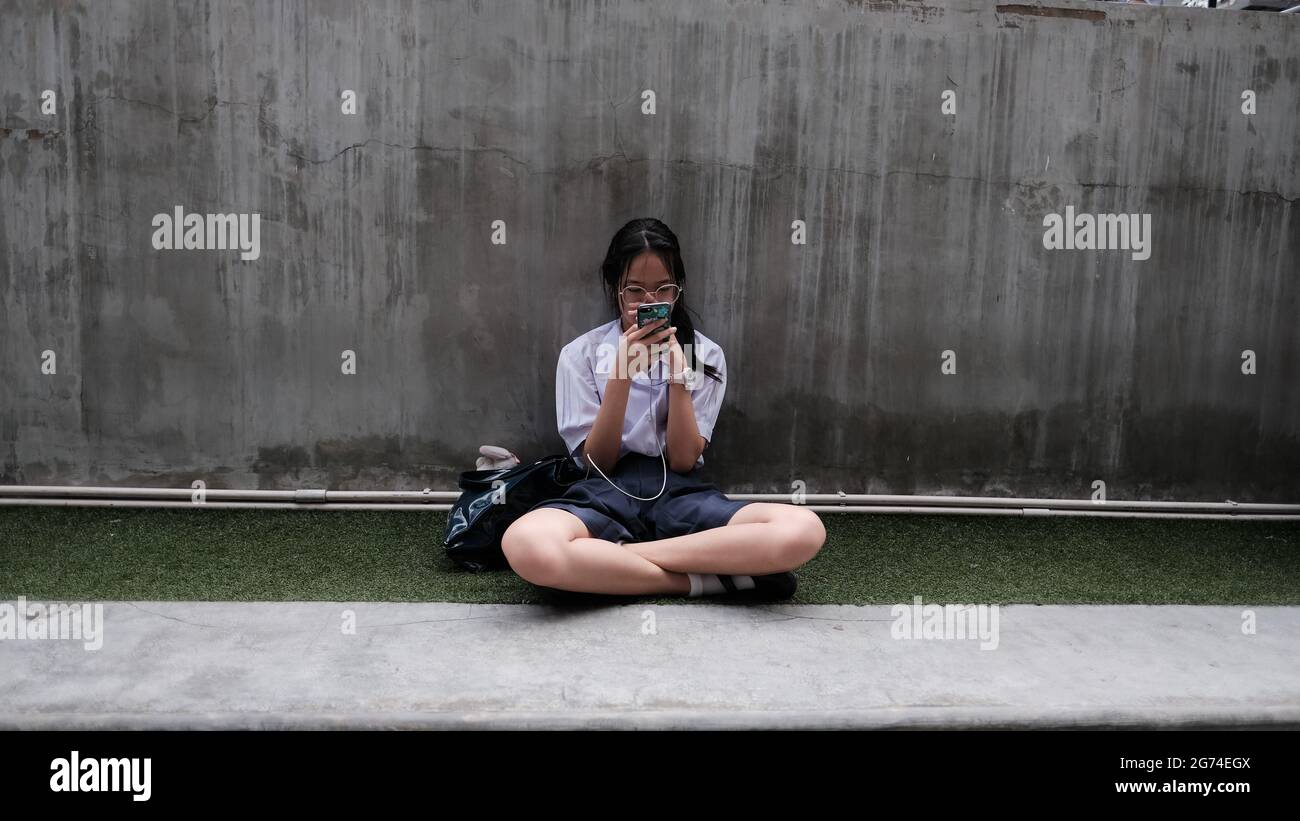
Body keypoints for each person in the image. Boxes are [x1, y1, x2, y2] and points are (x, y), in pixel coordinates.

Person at [501, 218, 826, 600]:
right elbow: (596, 463)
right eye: (635, 291)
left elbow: (684, 459)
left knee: (803, 530)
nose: (649, 304)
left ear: (678, 290)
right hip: (606, 491)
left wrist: (678, 377)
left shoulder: (704, 355)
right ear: (615, 290)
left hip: (681, 494)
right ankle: (705, 579)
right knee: (525, 544)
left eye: (663, 291)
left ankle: (613, 563)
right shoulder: (581, 355)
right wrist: (620, 375)